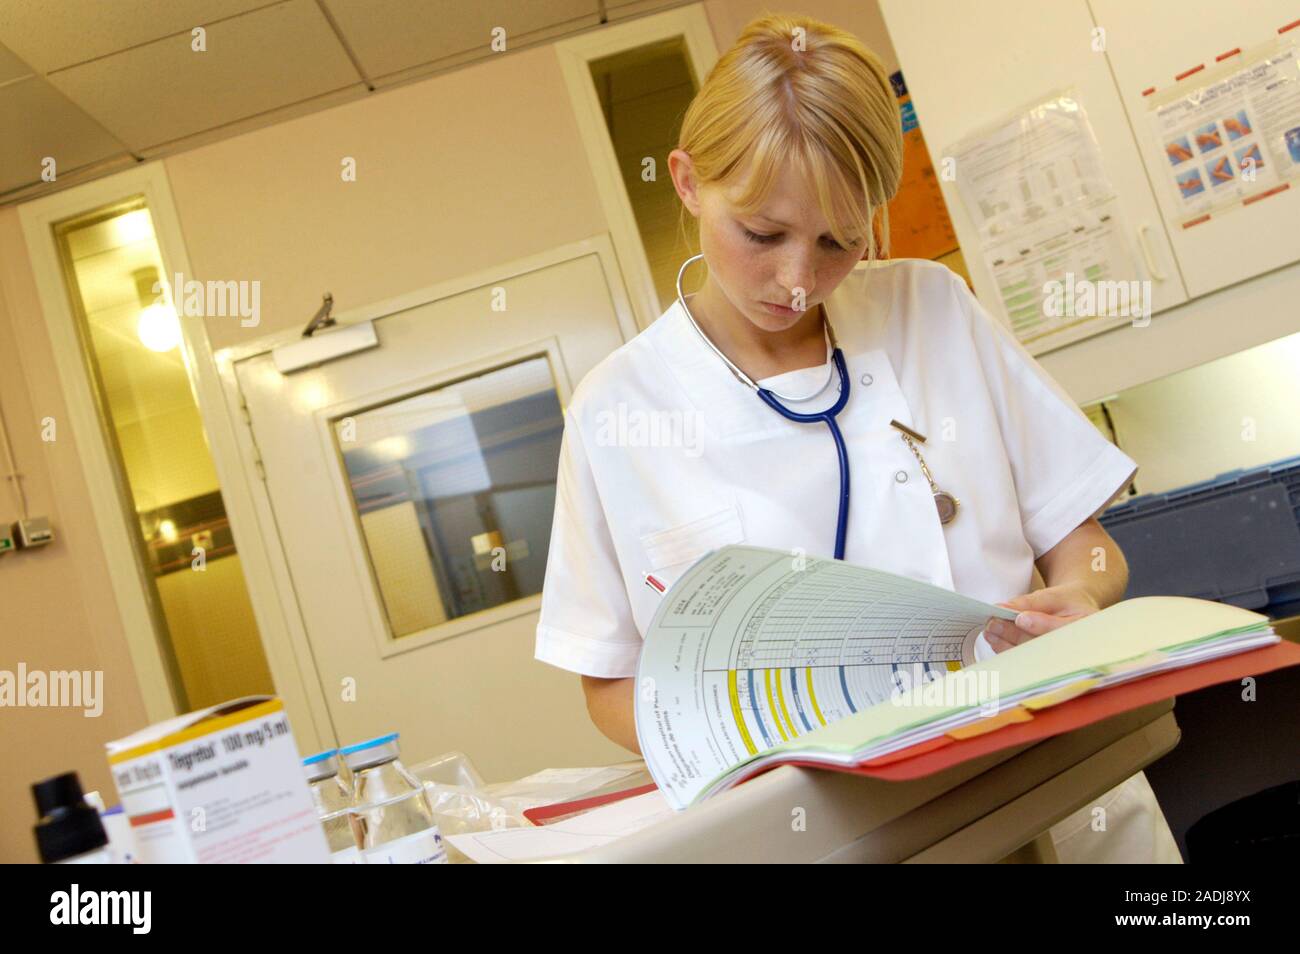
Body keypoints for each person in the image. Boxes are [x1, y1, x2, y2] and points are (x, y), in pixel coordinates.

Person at [534, 12, 1181, 863]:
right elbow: (612, 681)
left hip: (1054, 786)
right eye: (762, 235)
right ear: (688, 183)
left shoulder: (931, 308)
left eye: (840, 241)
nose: (798, 281)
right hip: (844, 831)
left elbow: (1087, 547)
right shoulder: (617, 408)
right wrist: (745, 755)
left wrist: (1084, 600)